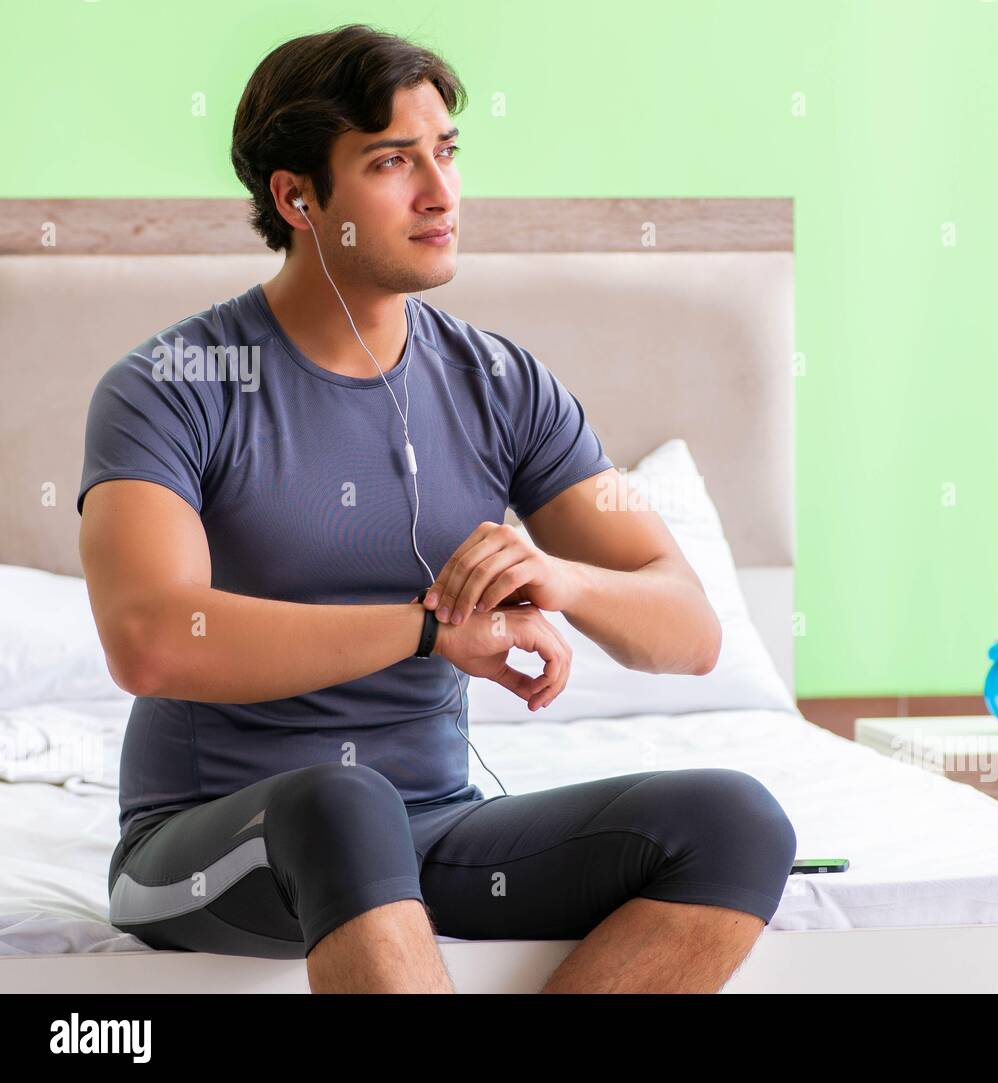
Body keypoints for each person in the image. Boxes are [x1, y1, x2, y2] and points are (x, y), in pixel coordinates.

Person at [79, 23, 796, 994]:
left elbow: (690, 630)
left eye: (445, 153)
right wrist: (423, 634)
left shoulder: (502, 383)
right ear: (297, 197)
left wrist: (563, 576)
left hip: (430, 827)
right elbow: (152, 639)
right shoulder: (174, 384)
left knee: (736, 821)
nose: (440, 192)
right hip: (211, 847)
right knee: (343, 803)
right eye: (390, 162)